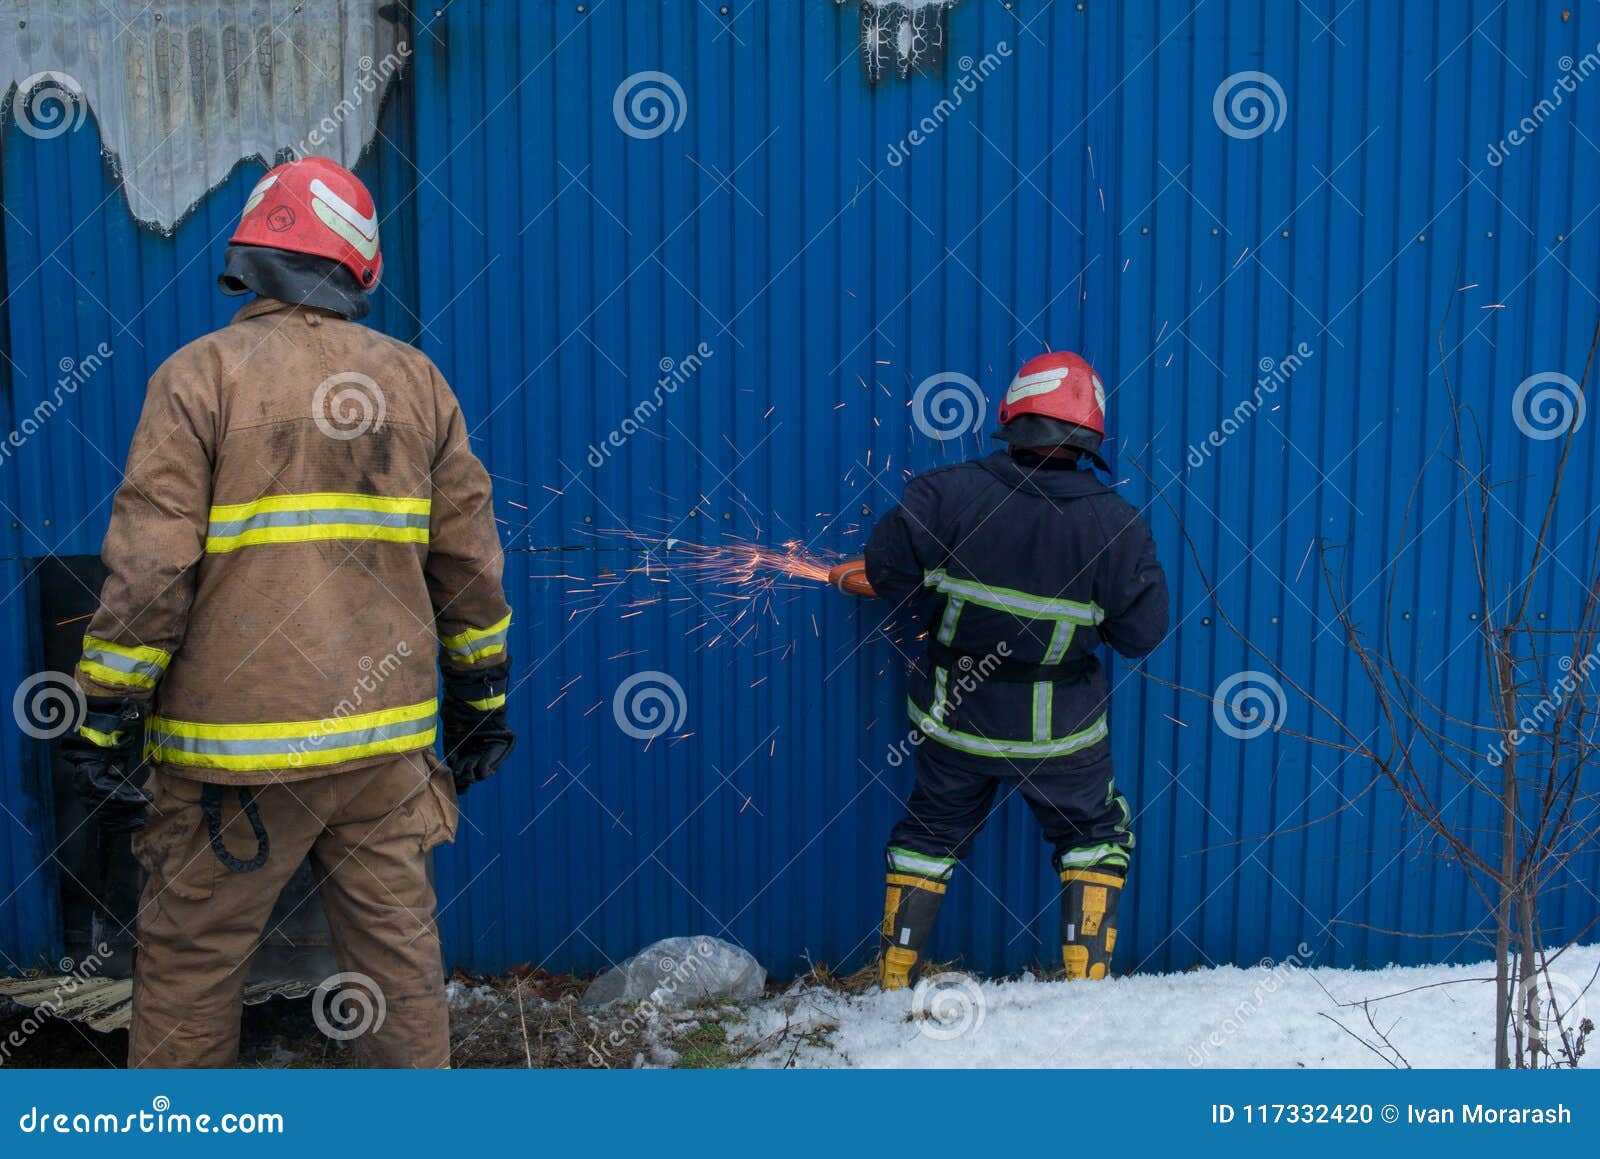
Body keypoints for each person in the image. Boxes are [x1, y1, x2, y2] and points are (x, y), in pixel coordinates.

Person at [57, 157, 516, 1067]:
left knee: (190, 972)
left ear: (250, 258)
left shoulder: (199, 379)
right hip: (385, 756)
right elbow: (469, 566)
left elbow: (151, 572)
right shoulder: (417, 383)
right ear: (359, 265)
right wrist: (482, 700)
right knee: (398, 979)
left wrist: (104, 713)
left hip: (233, 762)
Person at [834, 351, 1169, 988]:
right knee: (1093, 836)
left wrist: (943, 601)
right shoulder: (1120, 529)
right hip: (1060, 735)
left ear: (1011, 416)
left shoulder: (943, 495)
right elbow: (1140, 636)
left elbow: (887, 575)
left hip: (954, 720)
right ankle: (1086, 998)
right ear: (1091, 435)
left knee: (930, 833)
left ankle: (892, 984)